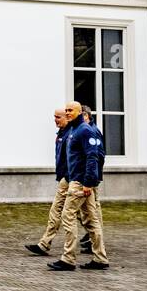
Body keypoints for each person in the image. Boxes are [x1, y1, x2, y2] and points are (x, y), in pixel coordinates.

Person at [26, 108, 97, 256]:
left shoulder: (75, 133)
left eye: (59, 117)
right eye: (54, 117)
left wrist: (86, 180)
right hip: (67, 178)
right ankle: (44, 244)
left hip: (74, 179)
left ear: (67, 118)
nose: (55, 120)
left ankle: (92, 247)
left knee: (83, 215)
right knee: (59, 211)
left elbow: (89, 157)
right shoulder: (63, 133)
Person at [47, 101, 108, 271]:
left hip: (80, 183)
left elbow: (93, 156)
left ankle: (68, 259)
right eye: (66, 110)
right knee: (91, 220)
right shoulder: (74, 129)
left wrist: (88, 183)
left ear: (80, 112)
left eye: (70, 110)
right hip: (77, 180)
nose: (67, 113)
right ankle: (100, 258)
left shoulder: (85, 130)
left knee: (68, 216)